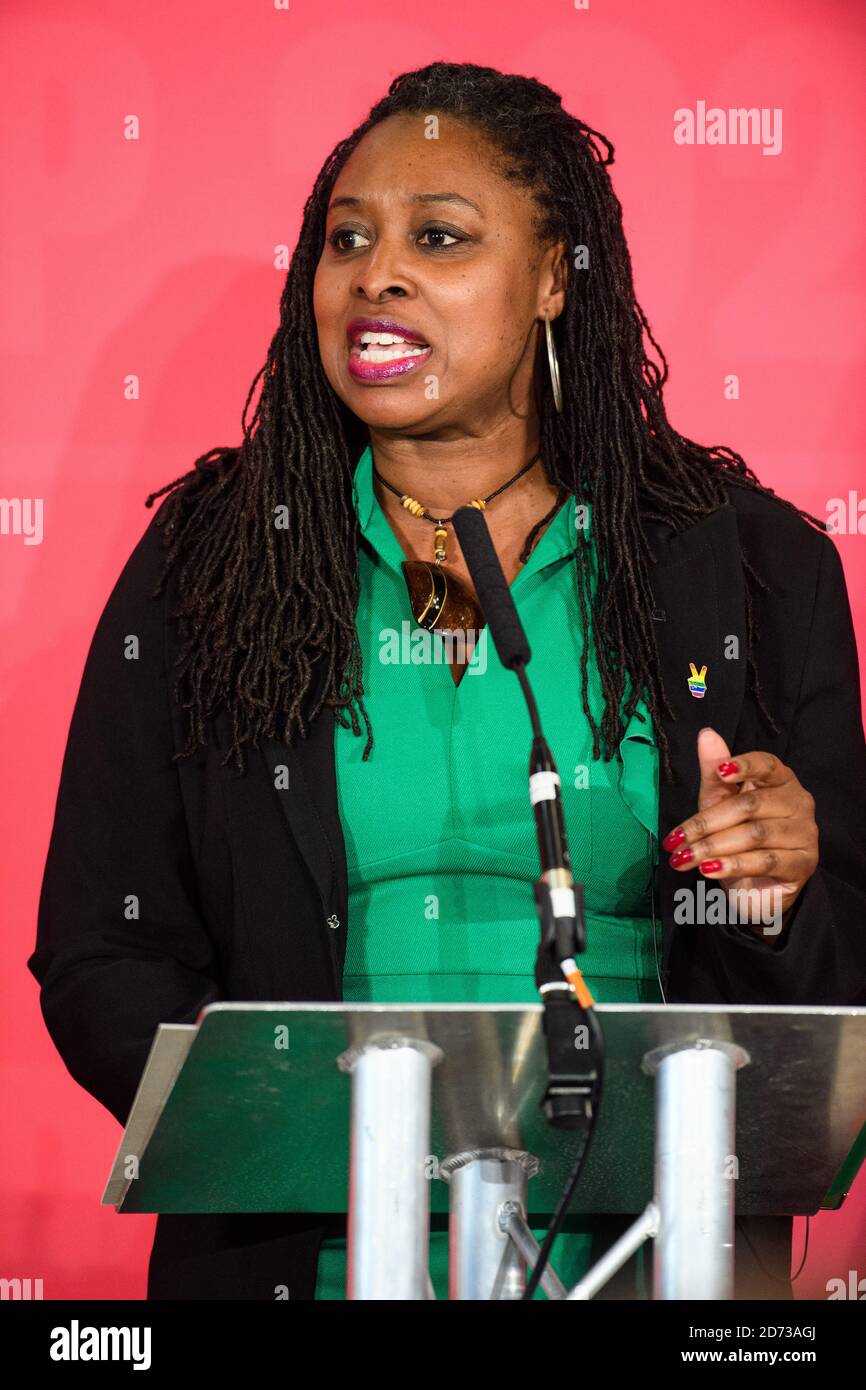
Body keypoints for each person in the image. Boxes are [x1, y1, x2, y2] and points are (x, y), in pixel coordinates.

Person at [29, 61, 866, 1301]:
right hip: (303, 1261)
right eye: (345, 240)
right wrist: (283, 1125)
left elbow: (836, 976)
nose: (376, 274)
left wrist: (775, 889)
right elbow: (103, 943)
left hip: (659, 1261)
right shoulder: (208, 564)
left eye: (437, 237)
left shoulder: (749, 567)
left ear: (548, 278)